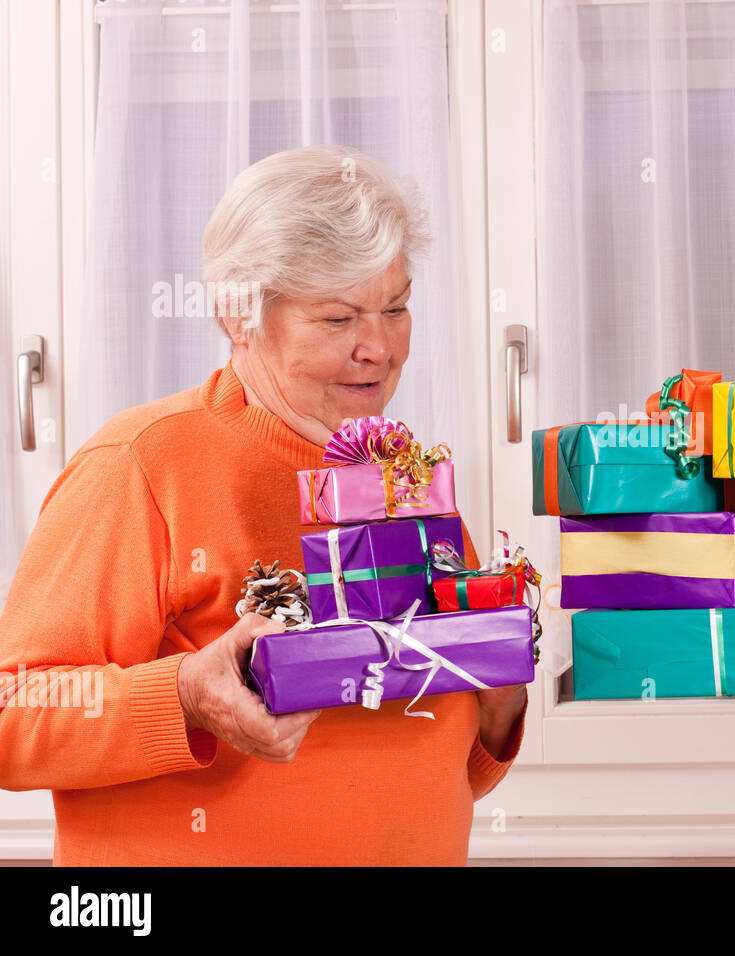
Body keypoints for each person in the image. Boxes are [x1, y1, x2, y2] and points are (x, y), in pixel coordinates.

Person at [0, 145, 527, 865]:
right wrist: (186, 694)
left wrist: (498, 706)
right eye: (339, 319)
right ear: (236, 314)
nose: (379, 347)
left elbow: (432, 767)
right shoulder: (139, 465)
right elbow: (13, 712)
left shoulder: (404, 479)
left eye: (397, 307)